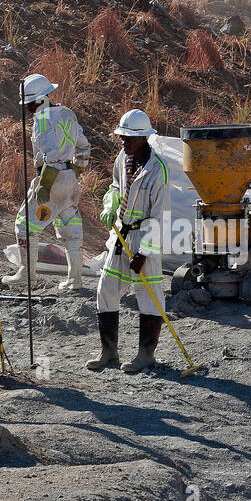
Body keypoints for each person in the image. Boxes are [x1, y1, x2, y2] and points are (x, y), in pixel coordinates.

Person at [87, 109, 170, 373]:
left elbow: (160, 217)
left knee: (149, 296)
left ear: (145, 138)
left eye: (130, 139)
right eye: (122, 137)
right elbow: (115, 186)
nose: (124, 142)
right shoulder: (123, 158)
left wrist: (144, 253)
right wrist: (110, 203)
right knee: (106, 290)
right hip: (121, 234)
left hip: (145, 236)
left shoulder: (159, 171)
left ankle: (146, 356)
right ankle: (108, 352)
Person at [3, 73, 91, 290]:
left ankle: (27, 274)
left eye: (30, 103)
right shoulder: (68, 114)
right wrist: (75, 172)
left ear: (41, 99)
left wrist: (46, 183)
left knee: (24, 224)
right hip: (70, 179)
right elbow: (84, 146)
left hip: (51, 179)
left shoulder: (42, 121)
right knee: (69, 225)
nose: (28, 108)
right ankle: (75, 279)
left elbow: (50, 155)